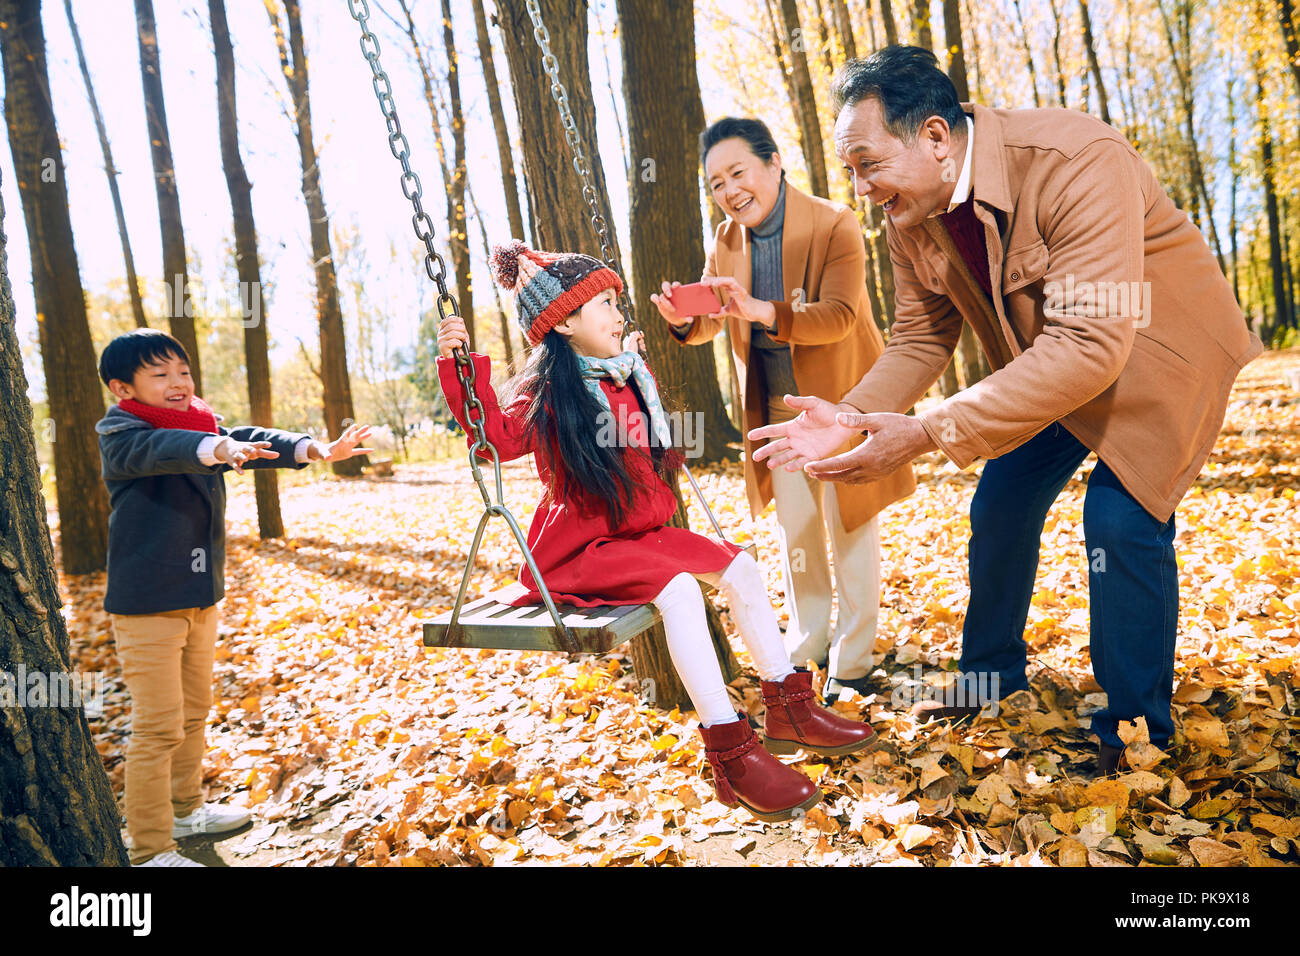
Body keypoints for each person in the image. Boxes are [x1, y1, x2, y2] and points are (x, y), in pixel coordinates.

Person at [749, 46, 1264, 777]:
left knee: (1119, 523)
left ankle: (1135, 731)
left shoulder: (1076, 157)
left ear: (933, 136)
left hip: (1158, 354)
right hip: (1052, 363)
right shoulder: (909, 217)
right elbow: (922, 335)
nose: (860, 188)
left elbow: (1091, 342)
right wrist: (853, 413)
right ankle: (991, 673)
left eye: (868, 164)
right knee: (1001, 502)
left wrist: (929, 431)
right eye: (851, 171)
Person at [435, 240, 881, 821]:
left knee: (740, 566)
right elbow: (493, 438)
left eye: (617, 301)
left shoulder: (625, 376)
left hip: (639, 536)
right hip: (580, 550)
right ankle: (732, 753)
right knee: (680, 590)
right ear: (565, 323)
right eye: (603, 303)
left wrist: (638, 376)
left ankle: (789, 707)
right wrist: (459, 366)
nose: (618, 314)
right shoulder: (547, 395)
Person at [651, 117, 915, 697]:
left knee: (850, 529)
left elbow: (842, 314)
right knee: (797, 533)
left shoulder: (833, 222)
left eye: (738, 172)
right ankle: (809, 641)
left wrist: (765, 311)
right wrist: (685, 322)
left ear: (773, 163)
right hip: (776, 409)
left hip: (842, 402)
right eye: (716, 182)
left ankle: (853, 660)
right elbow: (712, 320)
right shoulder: (725, 240)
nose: (729, 190)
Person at [97, 329, 373, 865]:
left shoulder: (200, 426)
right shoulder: (122, 432)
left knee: (196, 711)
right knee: (158, 726)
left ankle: (186, 808)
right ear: (122, 387)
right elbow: (165, 451)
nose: (178, 383)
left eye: (183, 372)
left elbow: (243, 436)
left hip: (199, 595)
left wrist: (314, 448)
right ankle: (152, 848)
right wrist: (219, 448)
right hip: (147, 604)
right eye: (161, 375)